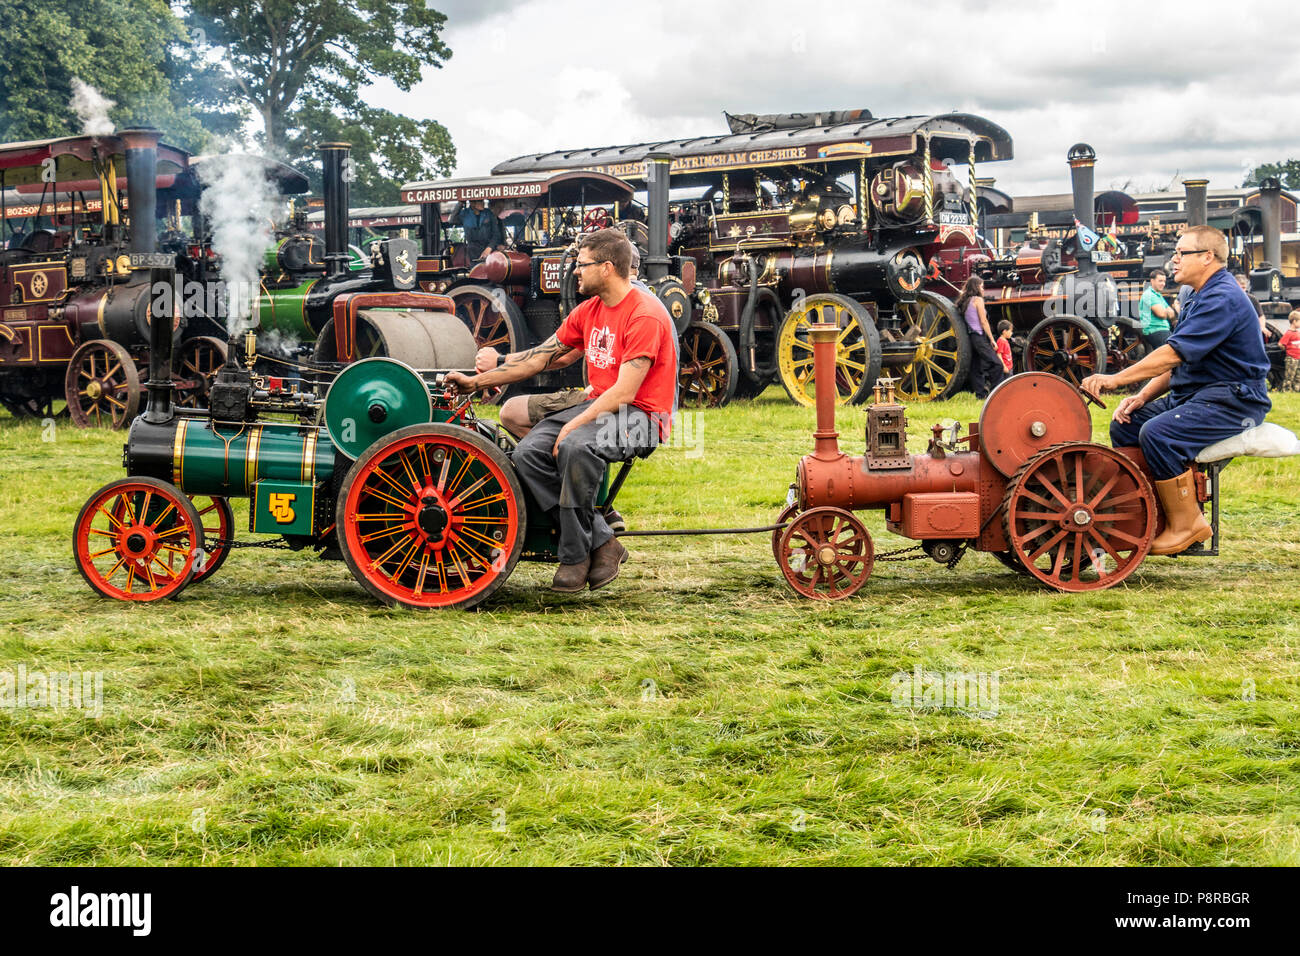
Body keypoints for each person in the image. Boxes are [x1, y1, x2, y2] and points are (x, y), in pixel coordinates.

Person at [447, 228, 678, 593]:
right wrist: (474, 382)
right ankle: (603, 542)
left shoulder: (645, 314)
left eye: (581, 264)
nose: (574, 271)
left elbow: (625, 391)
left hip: (643, 416)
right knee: (527, 454)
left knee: (575, 445)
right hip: (602, 404)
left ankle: (573, 556)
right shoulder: (590, 310)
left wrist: (574, 426)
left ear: (606, 268)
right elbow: (540, 358)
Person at [1081, 225, 1271, 555]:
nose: (1175, 260)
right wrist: (1141, 396)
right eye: (1176, 253)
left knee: (1158, 434)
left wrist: (1114, 380)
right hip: (1200, 395)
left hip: (1236, 400)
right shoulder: (1192, 294)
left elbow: (1172, 354)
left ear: (1208, 257)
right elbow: (1177, 359)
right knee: (1126, 423)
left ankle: (1189, 524)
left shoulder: (1222, 298)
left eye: (1182, 253)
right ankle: (1149, 515)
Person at [955, 276, 1002, 398]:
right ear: (976, 287)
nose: (983, 289)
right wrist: (992, 340)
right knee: (997, 364)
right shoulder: (977, 300)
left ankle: (981, 395)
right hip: (979, 337)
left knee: (975, 368)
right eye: (982, 286)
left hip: (971, 337)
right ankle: (995, 393)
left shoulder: (966, 301)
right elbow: (983, 321)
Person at [1139, 268, 1178, 350]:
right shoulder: (1149, 294)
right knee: (1174, 350)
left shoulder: (1158, 295)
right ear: (1152, 281)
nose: (1163, 284)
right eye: (1160, 281)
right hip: (1154, 331)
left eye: (1164, 281)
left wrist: (1166, 312)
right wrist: (1166, 311)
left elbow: (1172, 314)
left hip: (1163, 330)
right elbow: (1162, 314)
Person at [1233, 271, 1268, 337]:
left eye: (1244, 288)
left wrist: (1262, 327)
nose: (1243, 291)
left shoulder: (1252, 299)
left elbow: (1261, 316)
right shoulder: (1229, 299)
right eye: (1240, 288)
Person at [1280, 310, 1300, 392]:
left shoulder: (1298, 333)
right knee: (1289, 376)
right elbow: (1281, 344)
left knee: (1298, 376)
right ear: (1294, 321)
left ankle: (1296, 390)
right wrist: (1288, 351)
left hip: (1298, 358)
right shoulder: (1289, 333)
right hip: (1291, 359)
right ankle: (1286, 390)